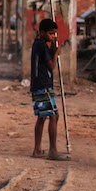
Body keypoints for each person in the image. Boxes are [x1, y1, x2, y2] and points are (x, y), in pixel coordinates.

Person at [30, 18, 69, 161]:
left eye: (54, 34)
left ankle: (37, 149)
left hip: (37, 84)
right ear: (42, 32)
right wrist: (56, 53)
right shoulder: (42, 46)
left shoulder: (37, 44)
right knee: (53, 116)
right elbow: (51, 65)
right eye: (51, 34)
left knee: (42, 116)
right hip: (44, 85)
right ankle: (53, 150)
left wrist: (52, 50)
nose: (53, 36)